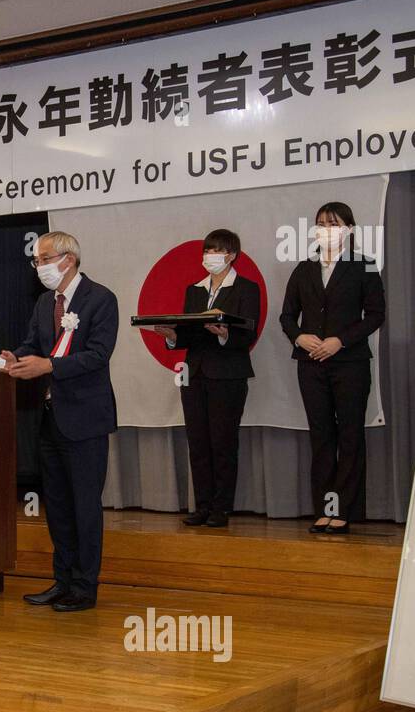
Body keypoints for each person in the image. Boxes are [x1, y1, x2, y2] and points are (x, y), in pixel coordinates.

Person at [1, 231, 118, 612]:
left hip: (85, 420)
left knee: (84, 505)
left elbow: (98, 355)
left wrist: (49, 365)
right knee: (58, 506)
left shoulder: (101, 299)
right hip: (50, 418)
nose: (38, 267)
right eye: (36, 260)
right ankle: (62, 580)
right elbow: (32, 345)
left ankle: (85, 586)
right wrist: (10, 360)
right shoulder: (42, 303)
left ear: (67, 259)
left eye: (43, 259)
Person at [279, 201, 385, 534]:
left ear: (349, 229)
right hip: (310, 364)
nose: (327, 229)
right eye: (321, 224)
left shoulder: (364, 266)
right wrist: (299, 337)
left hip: (349, 363)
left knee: (350, 435)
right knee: (322, 436)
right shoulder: (304, 268)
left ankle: (345, 511)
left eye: (334, 224)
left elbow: (376, 315)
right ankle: (325, 509)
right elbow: (286, 316)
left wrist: (341, 339)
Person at [148, 229, 260, 528]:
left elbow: (249, 332)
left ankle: (222, 508)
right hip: (194, 373)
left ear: (232, 254)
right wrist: (173, 337)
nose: (210, 256)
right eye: (207, 251)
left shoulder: (246, 288)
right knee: (198, 442)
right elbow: (190, 334)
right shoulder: (195, 290)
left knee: (223, 442)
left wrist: (225, 334)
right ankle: (203, 506)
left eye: (217, 251)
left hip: (228, 374)